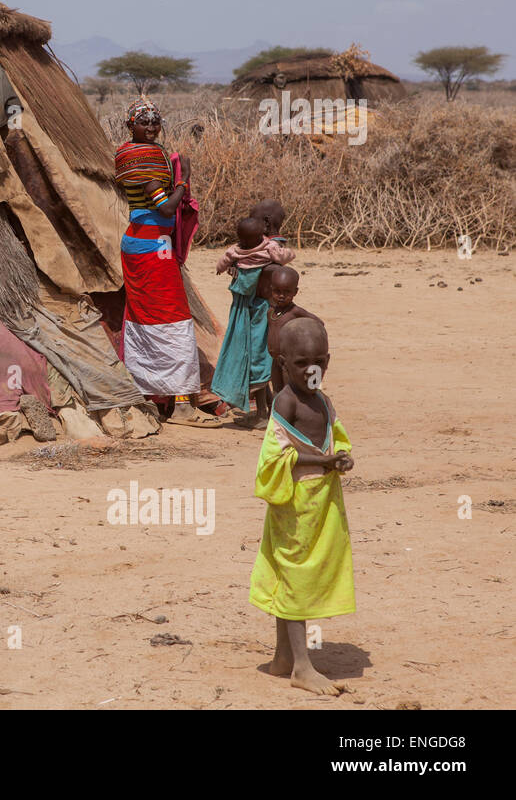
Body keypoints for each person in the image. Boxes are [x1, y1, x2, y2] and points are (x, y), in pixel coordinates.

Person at [249, 317, 355, 696]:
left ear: (328, 361)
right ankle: (303, 667)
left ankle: (283, 657)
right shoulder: (286, 401)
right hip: (293, 505)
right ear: (283, 363)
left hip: (321, 504)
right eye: (300, 363)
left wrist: (340, 457)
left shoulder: (323, 401)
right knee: (296, 577)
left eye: (319, 362)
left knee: (297, 574)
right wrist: (322, 462)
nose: (311, 370)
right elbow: (274, 460)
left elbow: (335, 441)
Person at [113, 96, 222, 427]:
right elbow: (165, 208)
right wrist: (183, 179)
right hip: (150, 246)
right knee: (173, 320)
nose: (150, 127)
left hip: (146, 244)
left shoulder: (140, 154)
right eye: (143, 122)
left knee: (149, 319)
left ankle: (157, 397)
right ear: (130, 125)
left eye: (155, 121)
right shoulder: (140, 160)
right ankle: (180, 406)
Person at [212, 217, 295, 423]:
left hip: (246, 311)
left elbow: (222, 262)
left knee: (254, 357)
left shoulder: (236, 252)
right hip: (261, 311)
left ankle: (262, 413)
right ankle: (262, 414)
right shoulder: (270, 256)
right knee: (259, 357)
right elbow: (286, 257)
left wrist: (222, 268)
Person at [266, 265, 323, 400]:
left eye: (287, 292)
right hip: (275, 359)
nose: (281, 296)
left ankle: (293, 419)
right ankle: (276, 419)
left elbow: (318, 323)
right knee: (277, 390)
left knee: (290, 390)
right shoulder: (271, 312)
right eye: (277, 291)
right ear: (271, 289)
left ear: (295, 292)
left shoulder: (295, 312)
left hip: (289, 360)